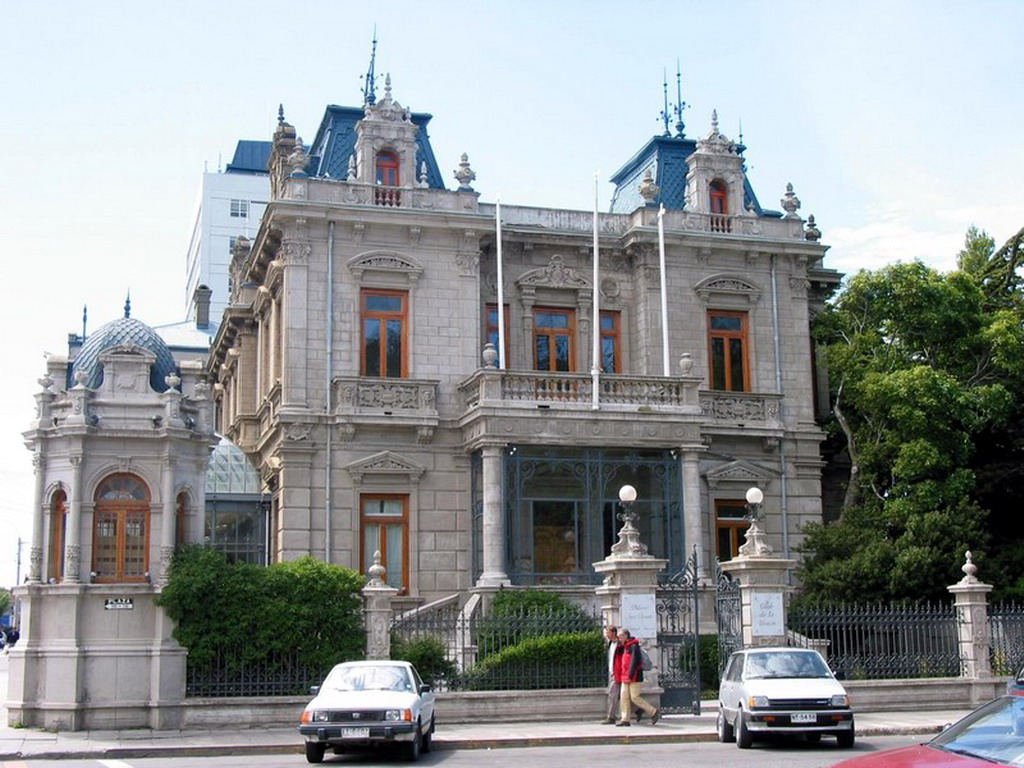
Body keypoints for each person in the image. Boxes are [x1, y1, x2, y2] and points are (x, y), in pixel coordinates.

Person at [615, 628, 659, 726]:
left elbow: (635, 661)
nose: (619, 639)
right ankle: (625, 719)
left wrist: (630, 674)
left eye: (620, 636)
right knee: (624, 697)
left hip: (634, 676)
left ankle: (653, 711)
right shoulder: (625, 646)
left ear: (626, 636)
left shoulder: (634, 646)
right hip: (625, 675)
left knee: (635, 697)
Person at [602, 625, 644, 724]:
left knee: (613, 695)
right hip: (614, 672)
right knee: (623, 696)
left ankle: (611, 717)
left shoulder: (620, 644)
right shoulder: (611, 643)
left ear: (613, 633)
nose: (606, 635)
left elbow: (624, 660)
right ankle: (638, 709)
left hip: (619, 673)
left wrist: (623, 673)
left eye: (608, 632)